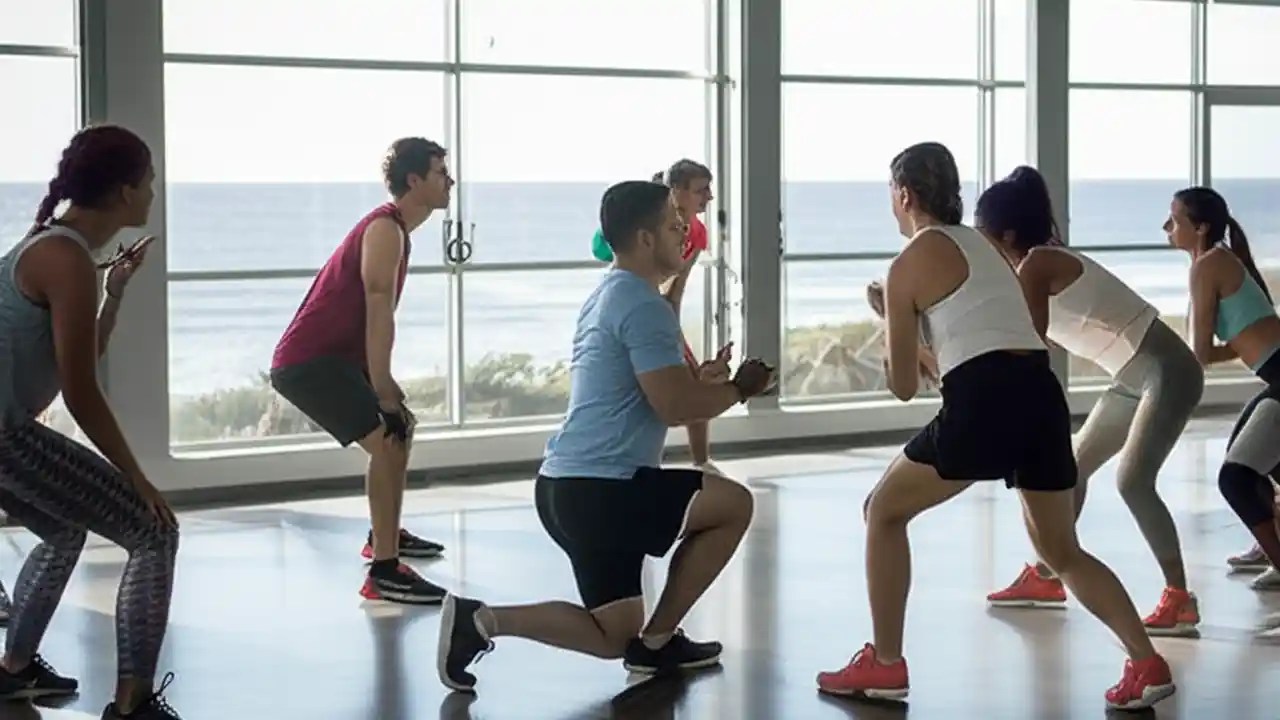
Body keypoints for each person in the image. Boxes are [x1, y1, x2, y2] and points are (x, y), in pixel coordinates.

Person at [816, 142, 1174, 710]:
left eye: (891, 195)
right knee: (1061, 549)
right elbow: (979, 337)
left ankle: (884, 665)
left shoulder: (908, 262)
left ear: (904, 195)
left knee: (882, 512)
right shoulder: (984, 245)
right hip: (1040, 393)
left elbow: (904, 384)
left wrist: (893, 320)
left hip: (986, 400)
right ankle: (1146, 661)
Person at [436, 180, 774, 693]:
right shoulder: (645, 306)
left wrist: (700, 381)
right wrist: (739, 389)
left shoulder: (606, 295)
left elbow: (645, 389)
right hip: (603, 491)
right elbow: (676, 407)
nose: (685, 232)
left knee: (613, 635)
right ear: (644, 238)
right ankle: (659, 642)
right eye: (673, 225)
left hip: (561, 488)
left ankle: (479, 621)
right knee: (735, 504)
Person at [0, 124, 181, 719]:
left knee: (63, 530)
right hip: (5, 437)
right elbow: (79, 391)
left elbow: (76, 359)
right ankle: (131, 706)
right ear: (126, 191)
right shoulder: (62, 257)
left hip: (6, 432)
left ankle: (13, 670)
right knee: (154, 530)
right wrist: (137, 478)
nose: (154, 193)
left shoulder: (63, 251)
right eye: (149, 182)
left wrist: (117, 291)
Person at [975, 166, 1203, 636]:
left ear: (1007, 233)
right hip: (1131, 376)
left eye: (983, 235)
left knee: (1133, 481)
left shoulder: (1037, 264)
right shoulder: (1034, 265)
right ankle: (1045, 575)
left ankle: (1180, 598)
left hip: (1167, 370)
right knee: (1074, 467)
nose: (981, 245)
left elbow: (1029, 341)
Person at [270, 137, 452, 605]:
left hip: (335, 359)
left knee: (400, 431)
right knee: (388, 438)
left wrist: (382, 386)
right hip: (308, 364)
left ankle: (385, 534)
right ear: (414, 181)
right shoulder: (385, 229)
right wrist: (383, 384)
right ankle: (384, 572)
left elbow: (376, 310)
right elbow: (378, 308)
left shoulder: (396, 231)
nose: (449, 180)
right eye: (439, 173)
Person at [1166, 186, 1280, 597]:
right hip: (1276, 376)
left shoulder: (1208, 265)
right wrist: (1244, 341)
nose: (1166, 227)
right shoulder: (1218, 260)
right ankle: (1268, 544)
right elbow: (1230, 344)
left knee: (1236, 476)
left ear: (1201, 228)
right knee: (1252, 457)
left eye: (1175, 220)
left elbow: (1199, 353)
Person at [592, 160, 724, 474]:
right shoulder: (628, 292)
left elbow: (675, 291)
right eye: (701, 190)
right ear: (676, 191)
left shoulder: (698, 235)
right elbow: (615, 254)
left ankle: (701, 463)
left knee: (690, 379)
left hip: (659, 311)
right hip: (640, 310)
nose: (709, 197)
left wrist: (673, 337)